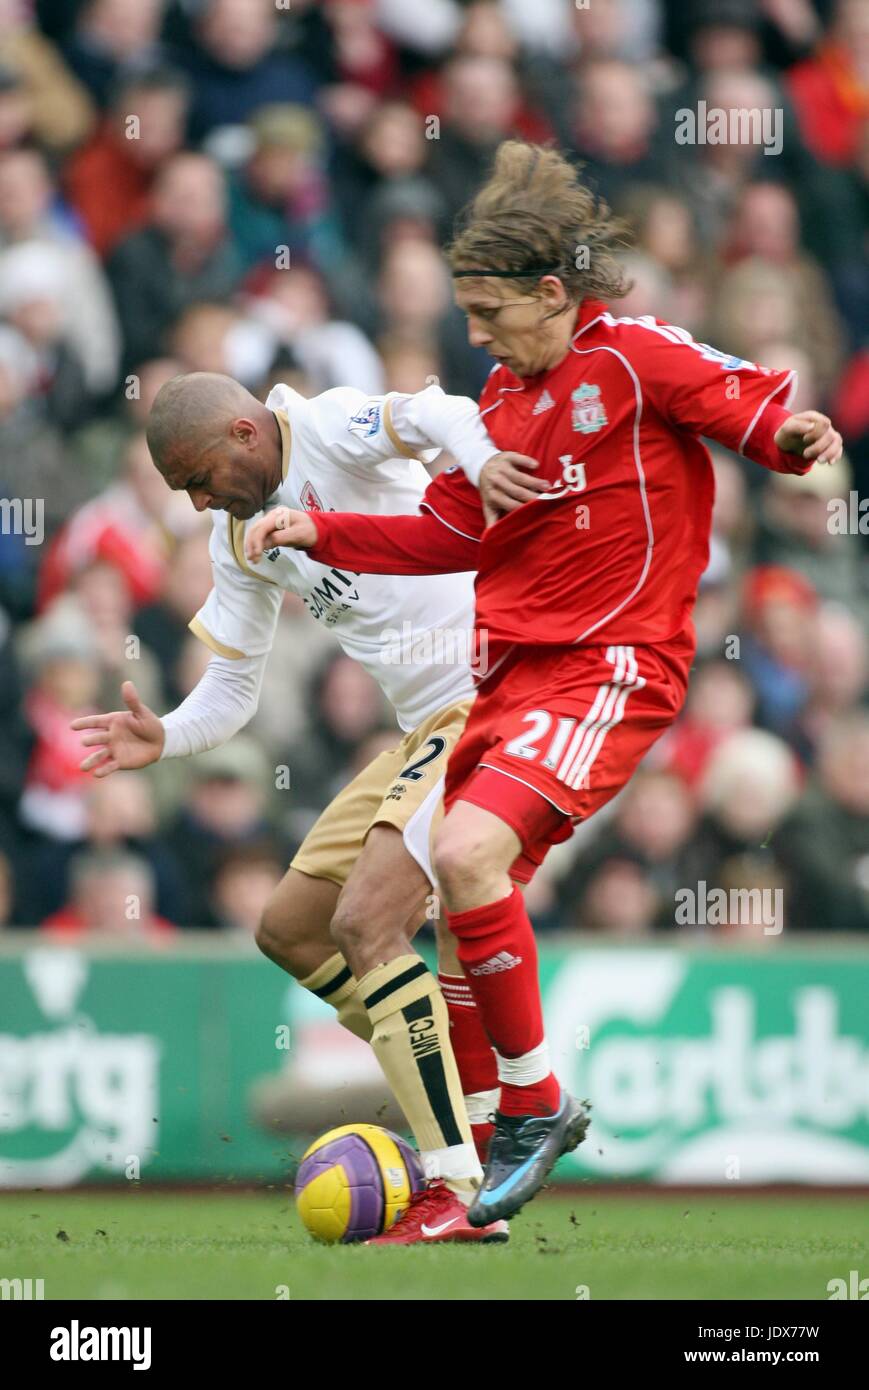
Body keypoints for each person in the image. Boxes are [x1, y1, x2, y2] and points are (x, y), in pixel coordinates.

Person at [245, 140, 843, 1225]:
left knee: (468, 855)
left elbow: (744, 408)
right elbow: (446, 531)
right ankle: (473, 1168)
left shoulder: (631, 357)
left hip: (610, 666)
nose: (474, 332)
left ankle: (533, 1106)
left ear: (551, 293)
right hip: (508, 679)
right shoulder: (503, 400)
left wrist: (793, 439)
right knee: (463, 890)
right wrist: (317, 528)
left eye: (488, 309)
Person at [72, 368, 539, 1244]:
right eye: (184, 493)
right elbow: (234, 687)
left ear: (245, 434)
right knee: (290, 925)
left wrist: (480, 468)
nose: (202, 501)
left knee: (368, 924)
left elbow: (442, 411)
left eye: (199, 478)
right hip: (419, 729)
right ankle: (454, 1085)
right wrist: (165, 737)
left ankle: (460, 1182)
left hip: (486, 697)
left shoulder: (329, 426)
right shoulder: (240, 538)